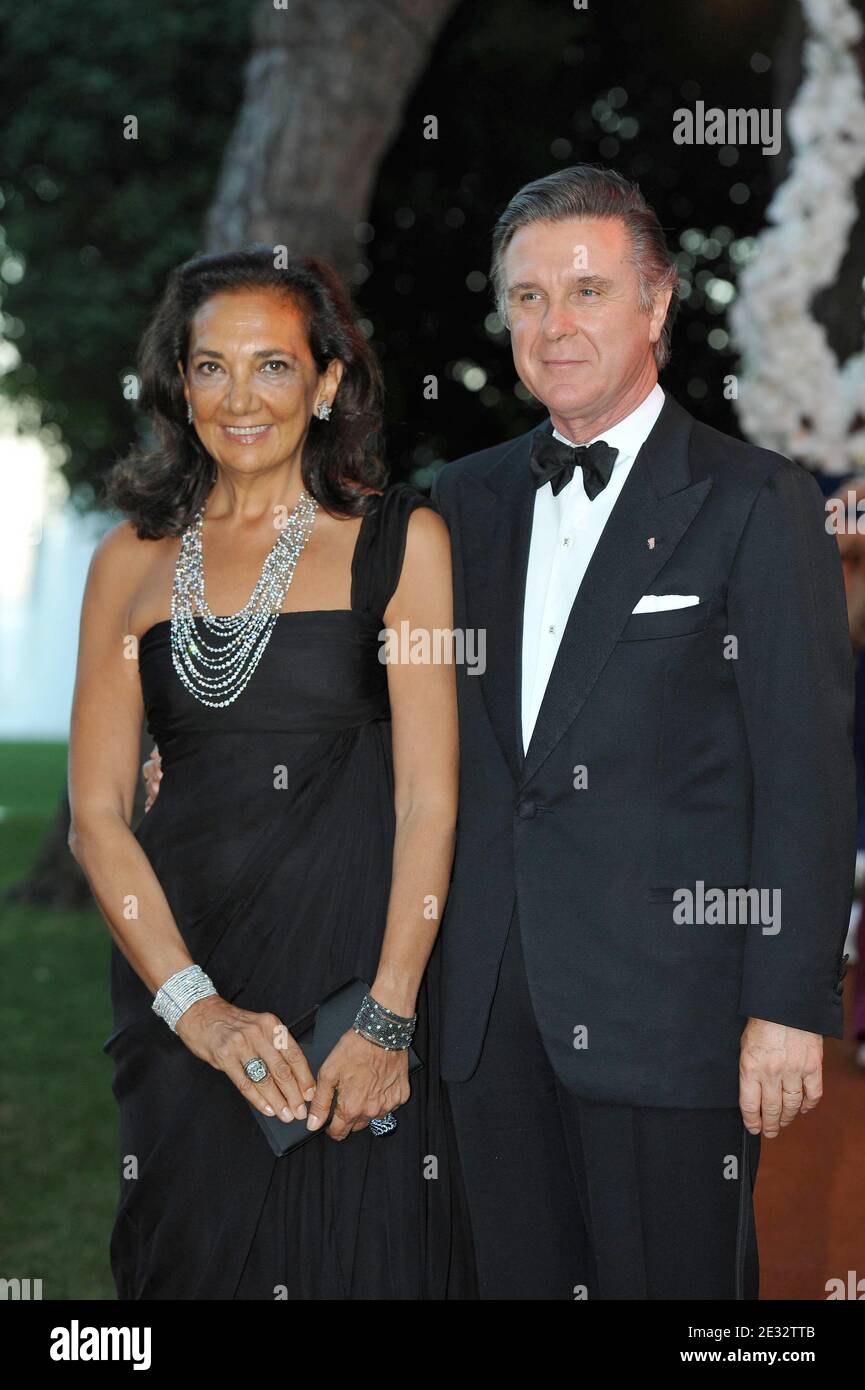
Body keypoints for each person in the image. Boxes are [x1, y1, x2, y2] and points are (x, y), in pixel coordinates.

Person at [430, 165, 857, 1299]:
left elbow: (806, 779)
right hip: (485, 1017)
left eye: (585, 290)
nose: (552, 324)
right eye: (526, 297)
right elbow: (392, 715)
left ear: (656, 305)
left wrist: (784, 1006)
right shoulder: (451, 506)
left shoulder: (756, 503)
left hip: (678, 1019)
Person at [67, 247, 475, 1299]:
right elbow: (97, 816)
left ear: (328, 381)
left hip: (351, 996)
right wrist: (197, 1010)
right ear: (179, 382)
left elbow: (431, 797)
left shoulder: (400, 542)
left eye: (273, 366)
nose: (239, 397)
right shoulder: (127, 561)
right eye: (211, 367)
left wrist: (387, 1016)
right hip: (180, 981)